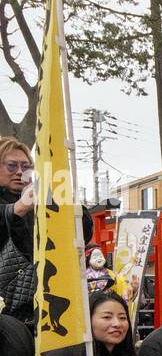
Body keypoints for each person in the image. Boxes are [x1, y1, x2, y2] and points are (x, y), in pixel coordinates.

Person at [0, 137, 94, 325]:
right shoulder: (19, 205)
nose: (19, 172)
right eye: (11, 166)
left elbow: (79, 232)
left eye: (25, 167)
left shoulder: (41, 199)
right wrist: (16, 209)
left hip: (42, 306)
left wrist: (69, 204)